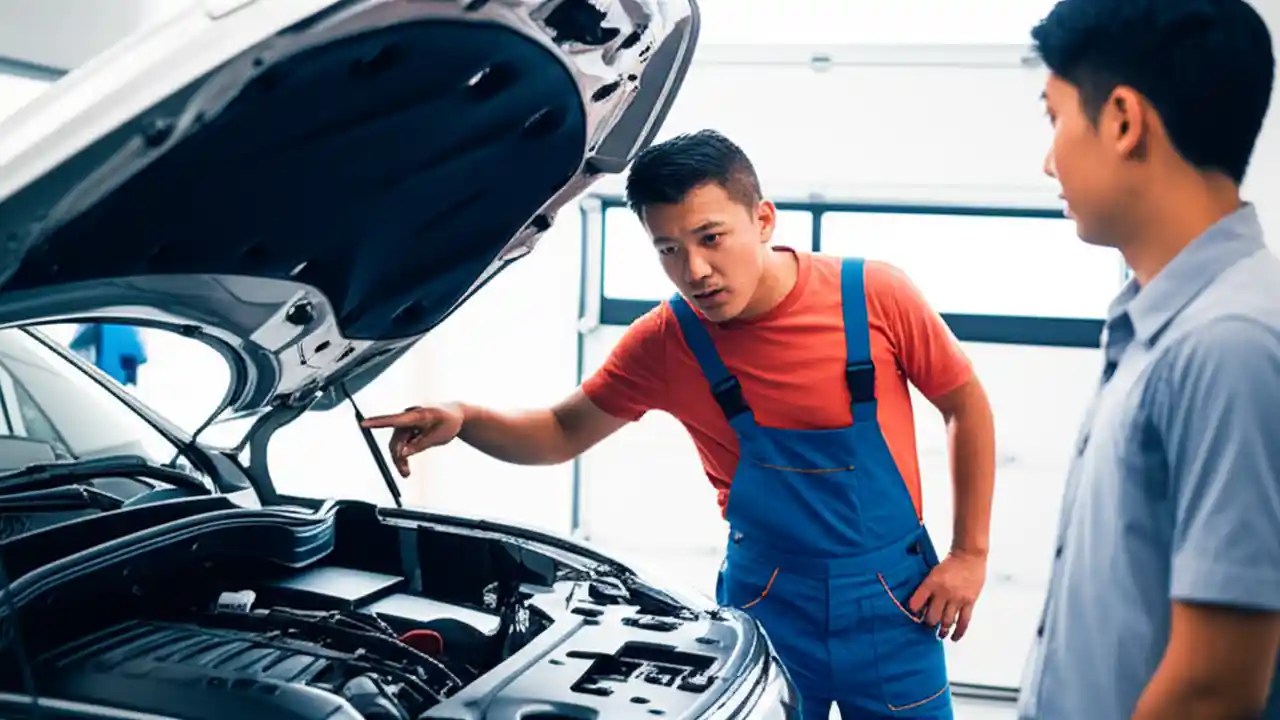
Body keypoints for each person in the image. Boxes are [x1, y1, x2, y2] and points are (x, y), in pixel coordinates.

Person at [361, 130, 996, 720]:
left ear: (763, 219)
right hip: (767, 601)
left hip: (892, 599)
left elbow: (965, 406)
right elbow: (560, 432)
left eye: (711, 237)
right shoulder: (667, 341)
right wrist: (465, 419)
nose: (694, 271)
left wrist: (969, 554)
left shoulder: (874, 296)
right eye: (669, 248)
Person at [1017, 1, 1280, 718]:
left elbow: (1214, 686)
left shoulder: (1229, 342)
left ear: (1124, 121)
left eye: (1054, 118)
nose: (1048, 159)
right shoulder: (1162, 323)